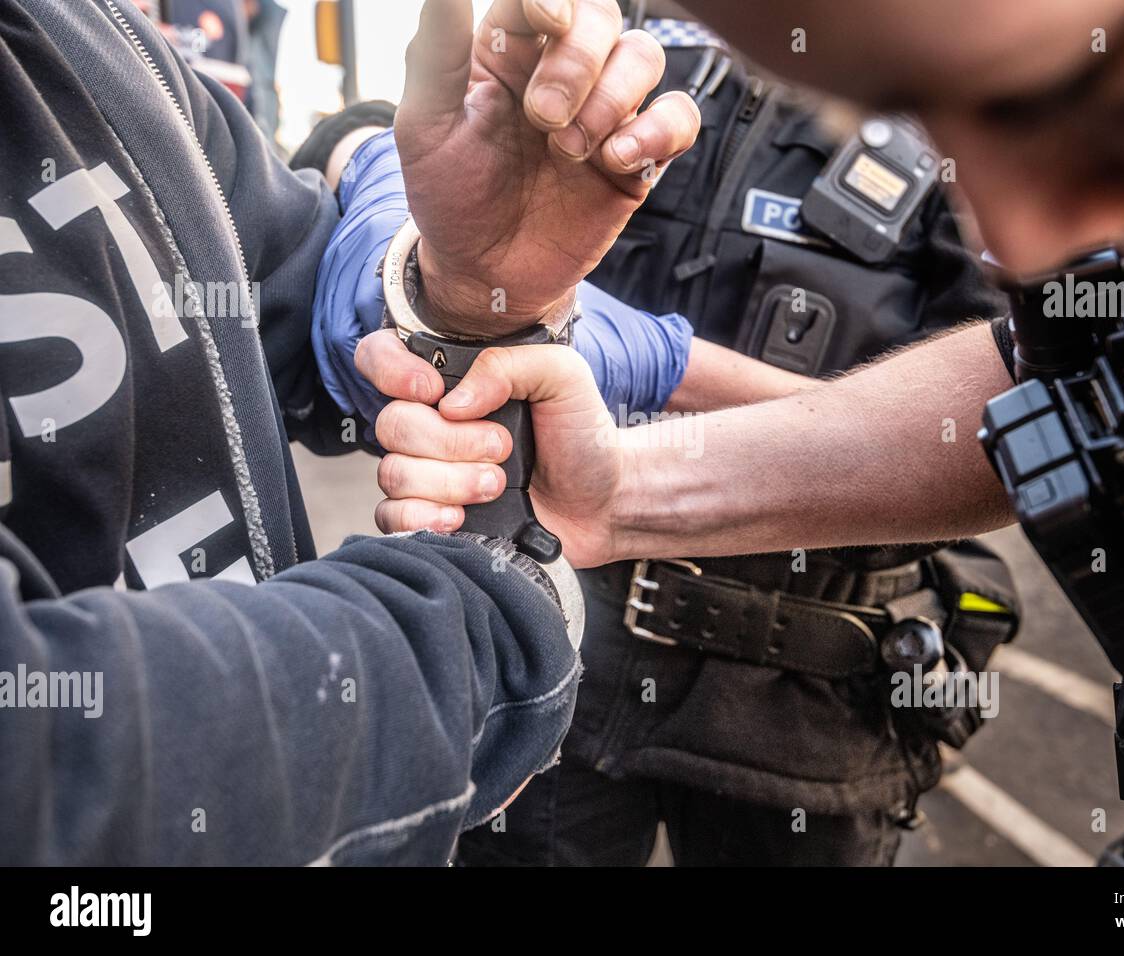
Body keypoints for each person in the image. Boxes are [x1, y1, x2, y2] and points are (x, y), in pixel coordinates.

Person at [357, 0, 1124, 858]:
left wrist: (673, 366)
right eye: (910, 109)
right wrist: (621, 488)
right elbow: (1046, 370)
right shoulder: (612, 56)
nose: (1017, 235)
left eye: (1089, 82)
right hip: (587, 668)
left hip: (810, 702)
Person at [0, 0, 699, 865]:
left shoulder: (97, 43)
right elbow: (45, 765)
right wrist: (486, 625)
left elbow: (306, 307)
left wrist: (470, 296)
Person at [452, 6, 1020, 867]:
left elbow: (1012, 420)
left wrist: (671, 369)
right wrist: (370, 161)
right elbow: (400, 177)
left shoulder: (949, 81)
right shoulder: (603, 41)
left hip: (803, 714)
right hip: (559, 667)